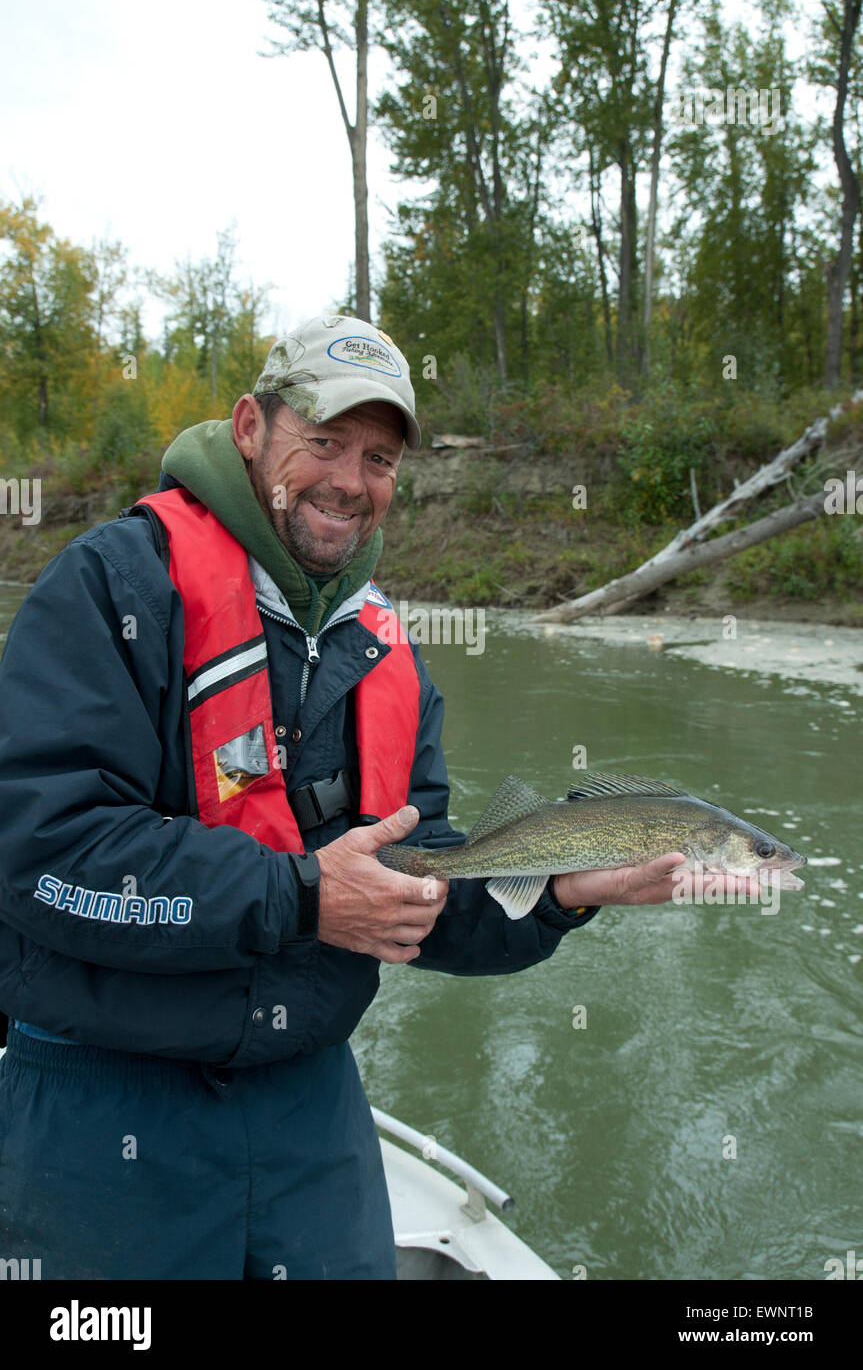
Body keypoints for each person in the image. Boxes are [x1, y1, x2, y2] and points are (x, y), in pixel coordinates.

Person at [0, 314, 714, 1280]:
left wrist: (556, 895)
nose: (350, 479)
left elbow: (417, 895)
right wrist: (298, 896)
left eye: (378, 458)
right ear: (251, 427)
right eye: (324, 441)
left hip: (309, 1104)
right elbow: (40, 857)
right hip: (105, 1102)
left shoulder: (385, 647)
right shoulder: (113, 583)